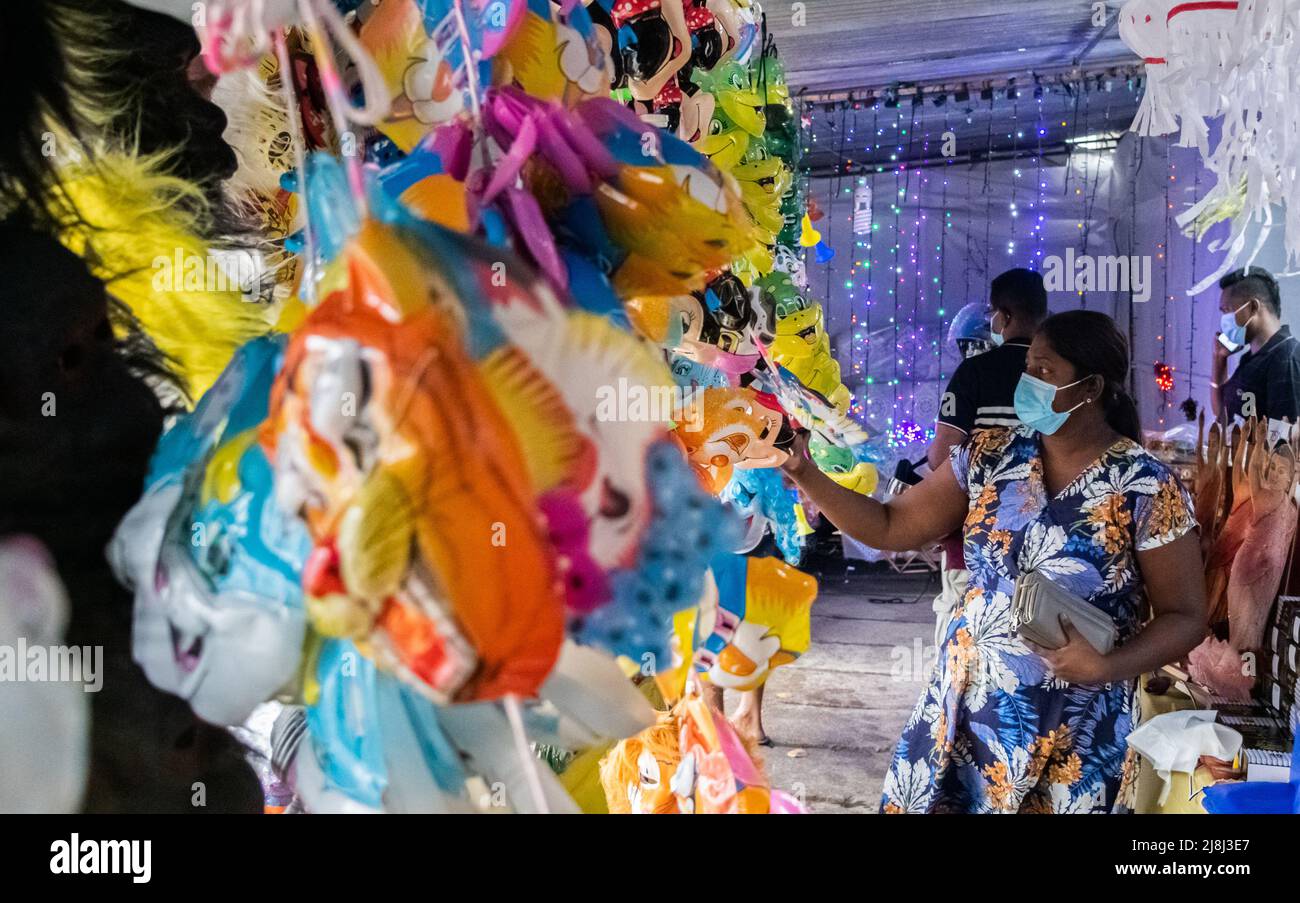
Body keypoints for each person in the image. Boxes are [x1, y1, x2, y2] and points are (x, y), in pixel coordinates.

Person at [782, 310, 1206, 813]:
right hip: (967, 712)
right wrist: (803, 471)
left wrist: (1107, 666)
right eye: (1028, 367)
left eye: (1044, 371)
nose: (1027, 382)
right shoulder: (988, 455)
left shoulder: (1147, 485)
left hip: (1075, 730)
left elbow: (1186, 616)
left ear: (1090, 387)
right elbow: (889, 526)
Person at [924, 269, 1049, 648]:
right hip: (1049, 535)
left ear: (1004, 317)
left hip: (979, 533)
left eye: (994, 314)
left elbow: (941, 454)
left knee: (961, 620)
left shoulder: (975, 371)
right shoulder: (1059, 373)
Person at [1212, 267, 1300, 432]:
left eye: (1227, 310)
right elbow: (1225, 416)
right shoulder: (1251, 356)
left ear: (1252, 307)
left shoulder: (1285, 359)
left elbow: (1283, 445)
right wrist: (1219, 359)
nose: (1224, 320)